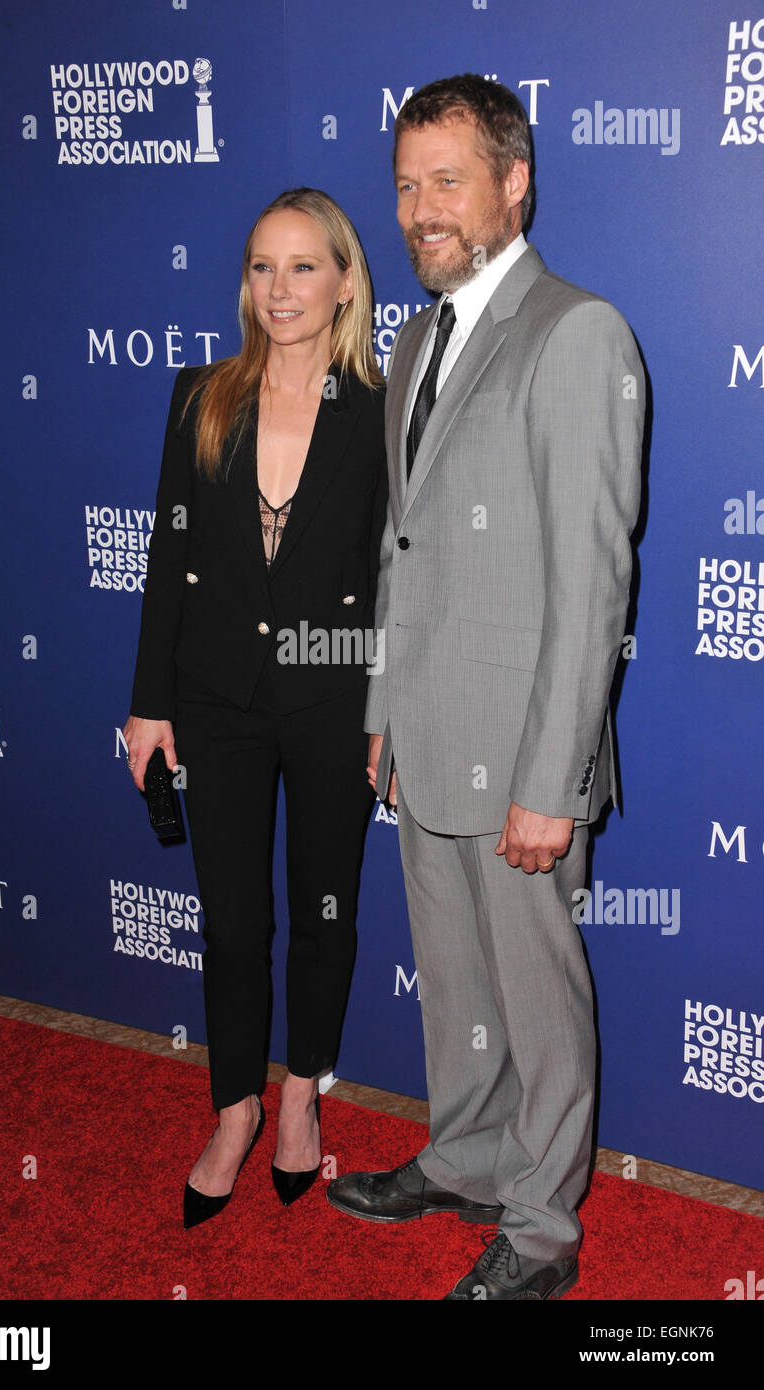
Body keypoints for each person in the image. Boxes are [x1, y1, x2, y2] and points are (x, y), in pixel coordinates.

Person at [326, 74, 644, 1301]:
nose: (419, 211)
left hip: (520, 751)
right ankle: (462, 1158)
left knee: (538, 998)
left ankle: (542, 1232)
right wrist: (381, 712)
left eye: (445, 181)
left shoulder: (578, 333)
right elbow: (401, 551)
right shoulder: (416, 337)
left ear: (515, 182)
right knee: (455, 978)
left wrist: (550, 780)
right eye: (405, 187)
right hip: (427, 732)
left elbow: (590, 584)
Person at [124, 188, 386, 1229]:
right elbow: (167, 557)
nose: (280, 289)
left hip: (334, 697)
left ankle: (297, 1102)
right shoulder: (202, 394)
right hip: (216, 699)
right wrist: (149, 707)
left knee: (326, 914)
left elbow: (403, 570)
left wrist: (390, 707)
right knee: (234, 923)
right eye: (262, 267)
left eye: (303, 266)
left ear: (344, 280)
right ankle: (231, 1107)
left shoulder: (379, 406)